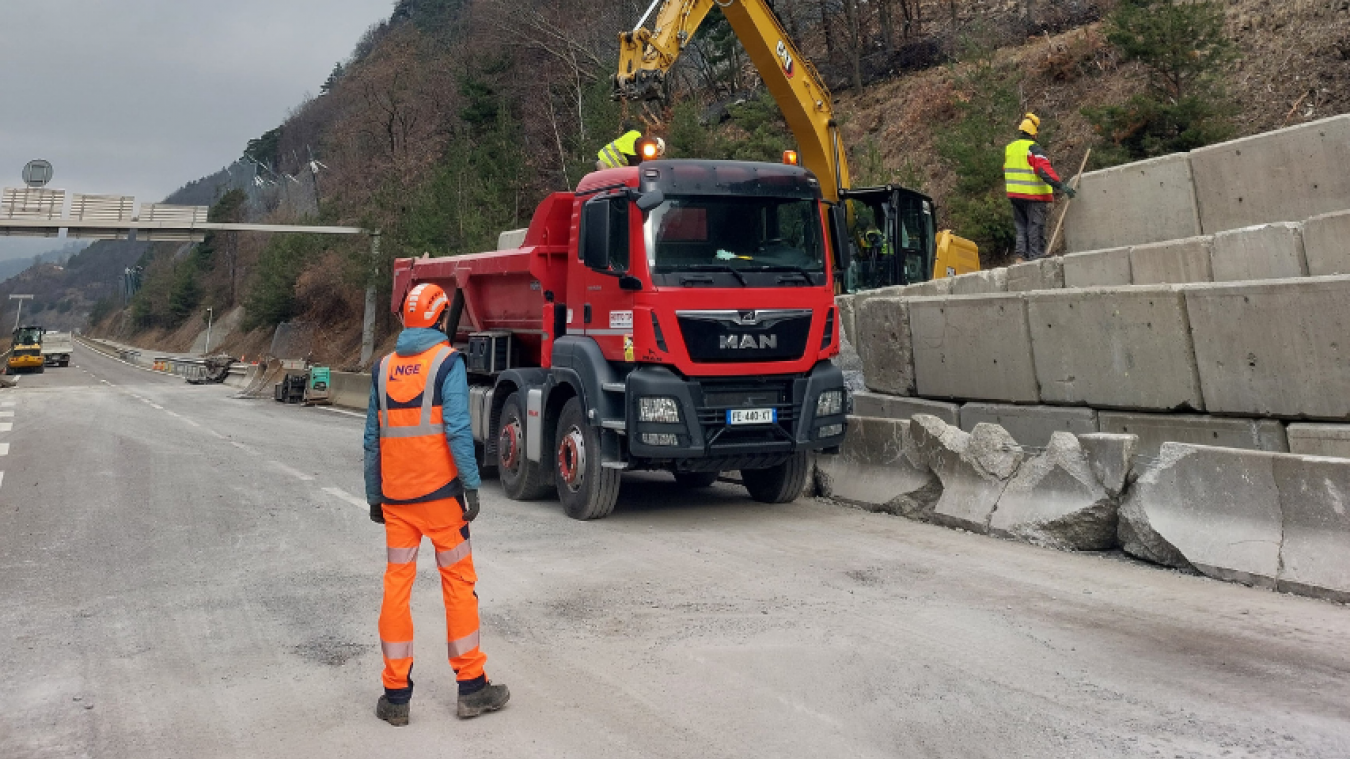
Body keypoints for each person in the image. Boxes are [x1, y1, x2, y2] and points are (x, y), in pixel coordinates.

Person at [364, 282, 509, 725]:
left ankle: (394, 697)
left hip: (397, 502)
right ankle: (472, 688)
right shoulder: (448, 363)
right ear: (441, 319)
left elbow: (373, 438)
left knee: (397, 587)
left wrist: (375, 494)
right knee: (458, 586)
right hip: (443, 500)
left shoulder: (383, 367)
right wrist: (471, 484)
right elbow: (459, 430)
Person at [1004, 113, 1076, 262]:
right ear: (1034, 134)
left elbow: (1006, 168)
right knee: (1035, 225)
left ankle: (1020, 257)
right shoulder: (1033, 148)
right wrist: (1061, 186)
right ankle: (1036, 256)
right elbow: (1044, 170)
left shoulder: (1010, 149)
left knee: (1021, 227)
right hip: (1033, 194)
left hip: (1015, 195)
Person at [596, 124, 665, 170]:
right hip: (602, 162)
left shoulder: (637, 162)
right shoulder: (635, 134)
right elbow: (628, 126)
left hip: (614, 173)